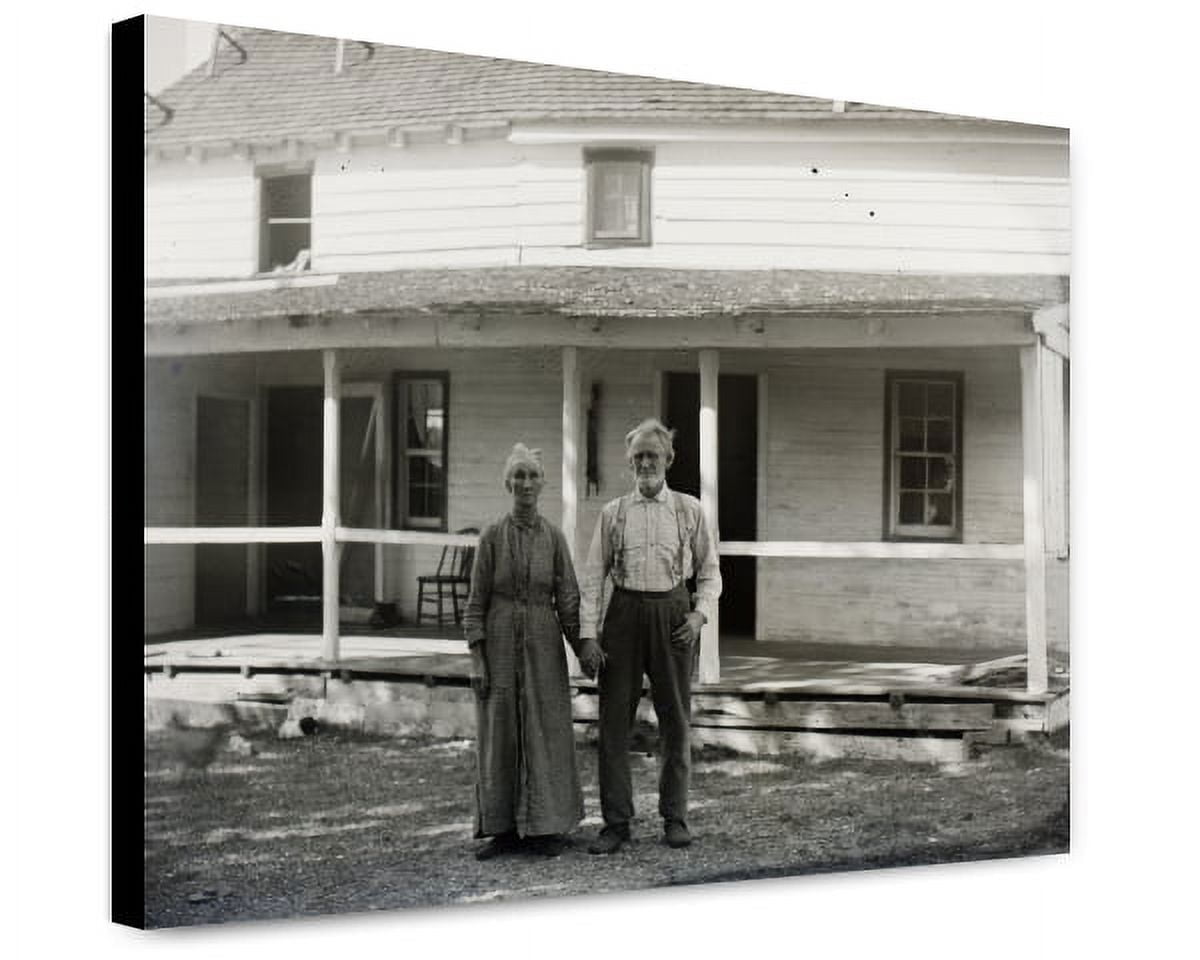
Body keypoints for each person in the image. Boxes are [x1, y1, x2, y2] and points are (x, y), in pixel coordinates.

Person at [577, 418, 722, 854]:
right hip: (623, 616)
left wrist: (699, 616)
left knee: (675, 721)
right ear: (630, 461)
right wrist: (588, 636)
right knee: (614, 722)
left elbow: (711, 573)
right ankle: (616, 823)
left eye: (652, 455)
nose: (645, 463)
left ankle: (674, 818)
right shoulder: (613, 513)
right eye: (638, 456)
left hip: (672, 616)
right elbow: (592, 578)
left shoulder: (689, 511)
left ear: (669, 460)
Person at [463, 443, 605, 860]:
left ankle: (547, 828)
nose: (525, 483)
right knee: (500, 734)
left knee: (546, 730)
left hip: (543, 647)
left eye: (532, 476)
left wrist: (584, 648)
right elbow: (474, 604)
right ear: (508, 483)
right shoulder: (492, 536)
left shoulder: (554, 538)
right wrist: (477, 658)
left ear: (542, 483)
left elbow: (568, 599)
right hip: (500, 644)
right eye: (518, 476)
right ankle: (502, 830)